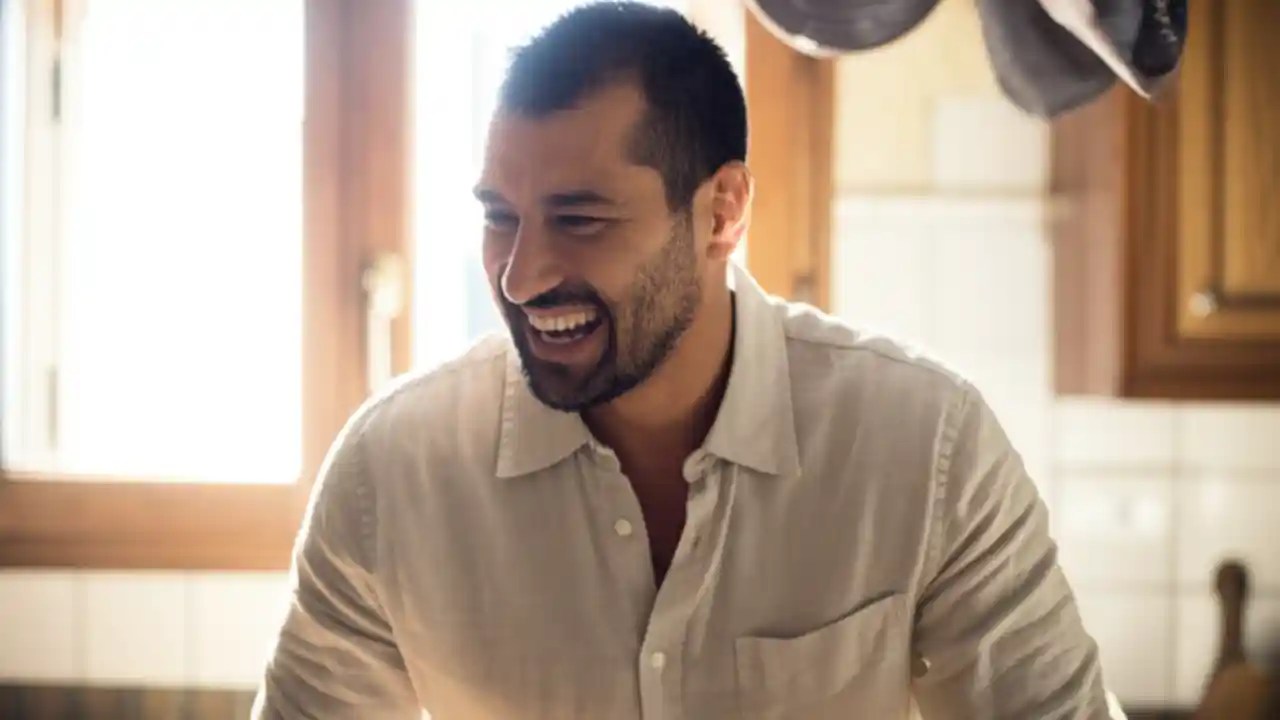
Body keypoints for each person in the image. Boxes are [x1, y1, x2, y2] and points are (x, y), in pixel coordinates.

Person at [254, 3, 1118, 718]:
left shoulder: (928, 452)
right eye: (500, 218)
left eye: (580, 220)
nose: (520, 277)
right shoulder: (392, 474)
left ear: (721, 212)